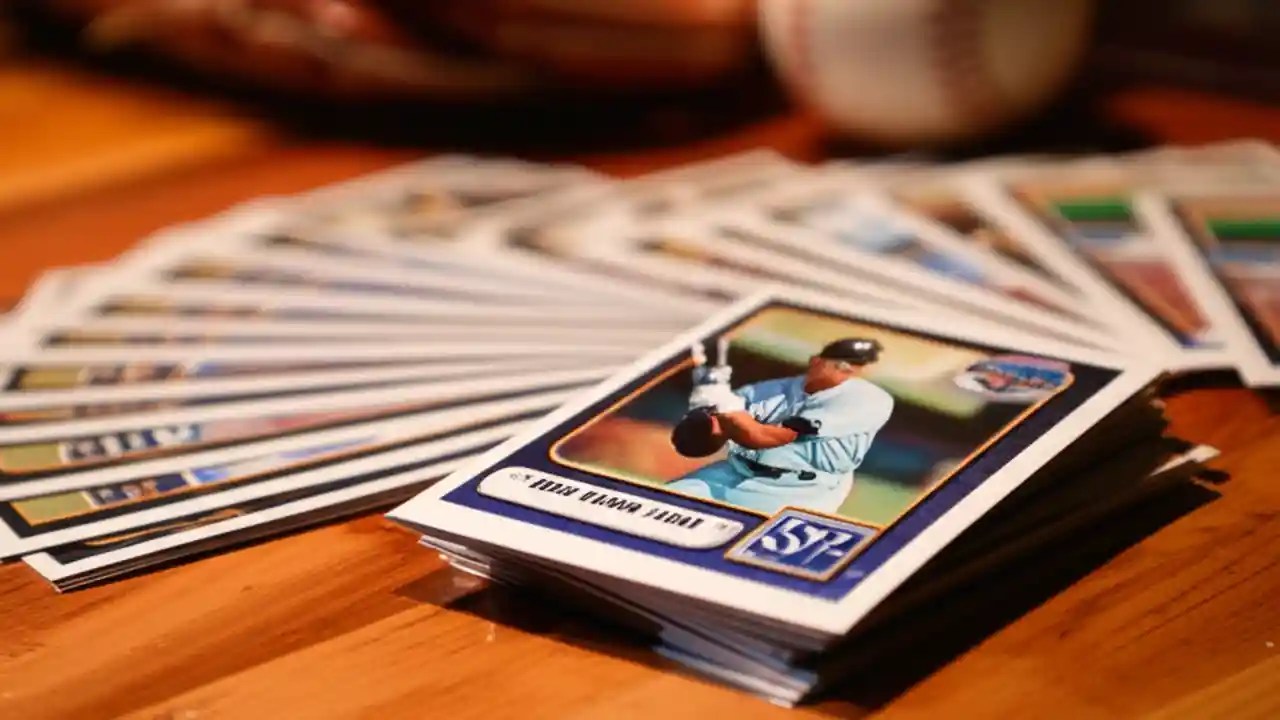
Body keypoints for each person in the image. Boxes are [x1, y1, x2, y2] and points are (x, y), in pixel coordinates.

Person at [668, 337, 894, 515]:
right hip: (734, 473)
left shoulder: (869, 399)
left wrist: (726, 408)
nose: (851, 373)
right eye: (842, 365)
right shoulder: (771, 390)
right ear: (816, 361)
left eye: (858, 368)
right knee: (664, 501)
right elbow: (699, 443)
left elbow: (768, 437)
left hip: (799, 493)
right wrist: (705, 408)